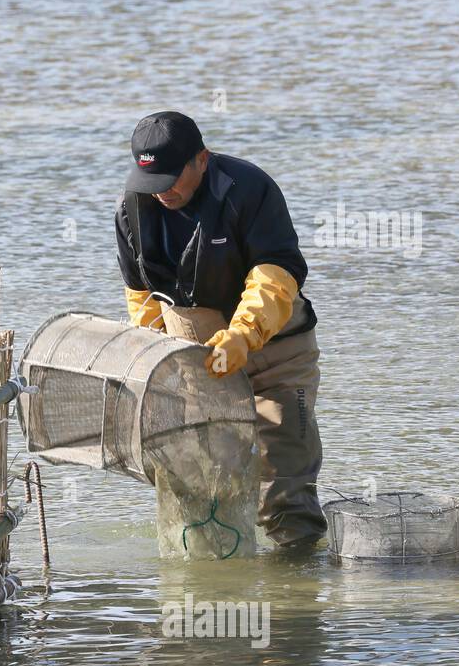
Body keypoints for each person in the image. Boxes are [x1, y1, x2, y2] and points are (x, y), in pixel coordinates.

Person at [114, 111, 326, 548]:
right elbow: (141, 297)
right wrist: (156, 361)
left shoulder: (249, 190)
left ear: (202, 160)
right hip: (194, 366)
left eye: (172, 179)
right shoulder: (133, 207)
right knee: (203, 486)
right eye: (152, 182)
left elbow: (275, 275)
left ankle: (296, 599)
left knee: (286, 486)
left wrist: (242, 336)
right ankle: (213, 586)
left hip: (277, 357)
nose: (163, 193)